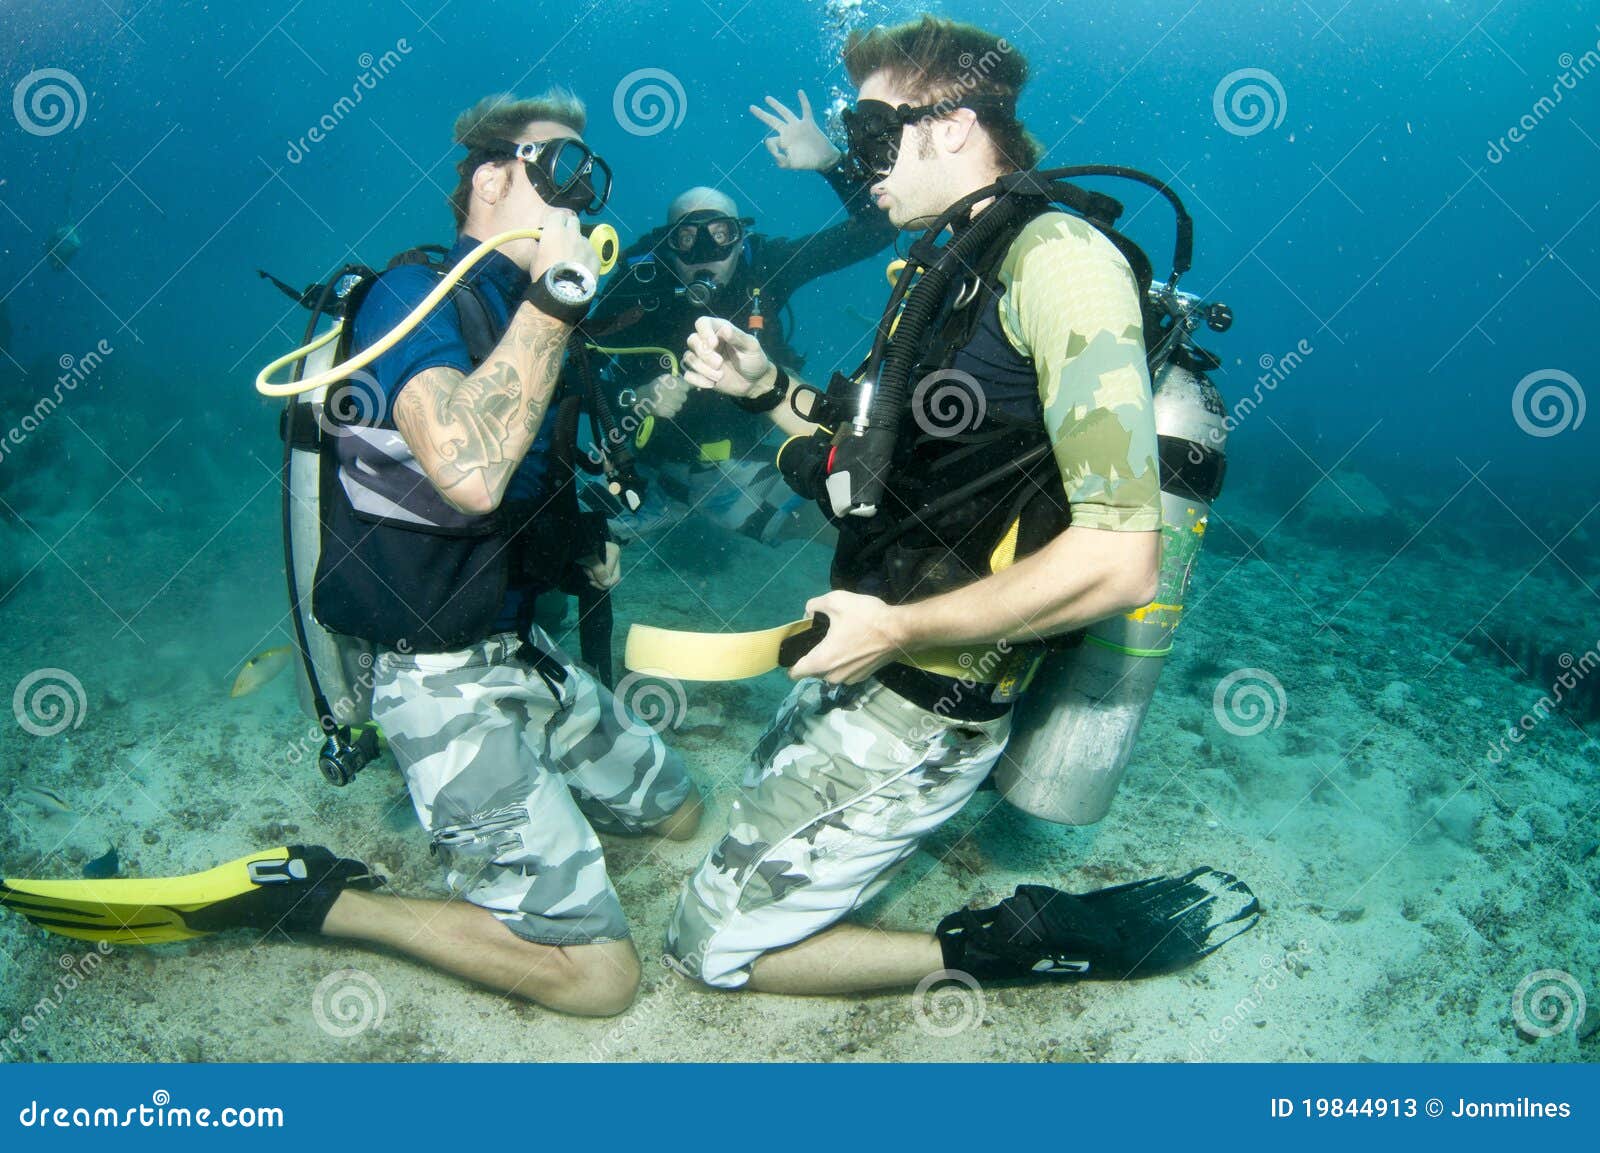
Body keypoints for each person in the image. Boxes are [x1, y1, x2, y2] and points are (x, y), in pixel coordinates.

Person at [1, 92, 701, 1017]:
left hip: (521, 655)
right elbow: (471, 473)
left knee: (683, 812)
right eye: (562, 174)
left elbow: (535, 493)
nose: (583, 204)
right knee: (600, 979)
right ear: (492, 177)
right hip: (435, 676)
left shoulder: (526, 313)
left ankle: (530, 789)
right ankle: (324, 899)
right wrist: (561, 295)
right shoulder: (411, 298)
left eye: (593, 182)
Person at [663, 17, 1258, 995]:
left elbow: (1120, 562)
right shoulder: (953, 264)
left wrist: (893, 629)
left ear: (950, 126)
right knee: (750, 833)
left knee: (708, 949)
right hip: (877, 652)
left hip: (929, 694)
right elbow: (875, 464)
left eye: (867, 139)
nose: (860, 168)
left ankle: (1023, 940)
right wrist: (766, 387)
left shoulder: (1058, 262)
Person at [584, 91, 894, 545]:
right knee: (557, 542)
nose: (705, 255)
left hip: (742, 468)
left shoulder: (767, 265)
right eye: (688, 239)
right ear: (668, 242)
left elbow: (876, 230)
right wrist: (633, 396)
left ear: (740, 238)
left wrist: (832, 164)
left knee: (858, 524)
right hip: (649, 472)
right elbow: (574, 362)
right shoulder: (641, 280)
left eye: (721, 236)